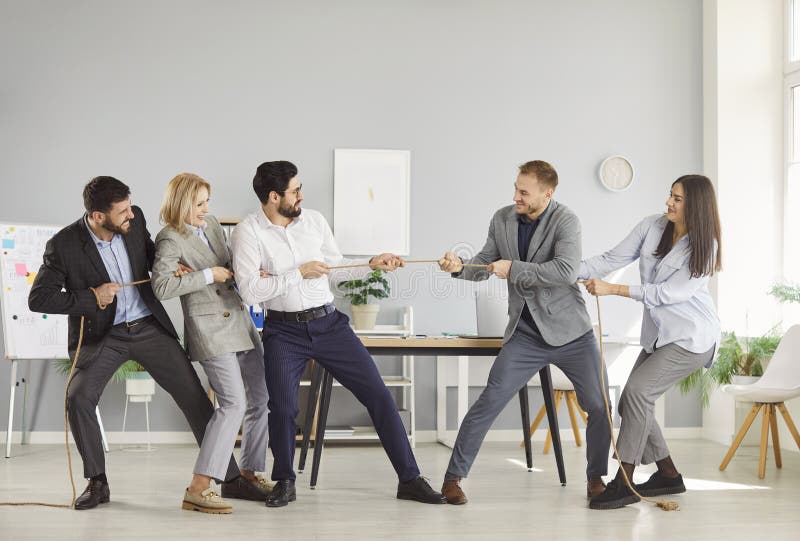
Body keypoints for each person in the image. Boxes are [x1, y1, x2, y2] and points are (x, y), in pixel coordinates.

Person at [231, 160, 446, 507]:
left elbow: (336, 270)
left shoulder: (314, 221)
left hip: (329, 325)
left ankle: (410, 478)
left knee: (379, 396)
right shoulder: (248, 233)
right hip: (283, 331)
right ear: (274, 196)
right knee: (283, 409)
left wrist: (372, 263)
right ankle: (284, 480)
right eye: (295, 190)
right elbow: (250, 291)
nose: (302, 195)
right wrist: (297, 273)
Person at [28, 176, 243, 510]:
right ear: (98, 217)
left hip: (148, 328)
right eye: (122, 211)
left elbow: (152, 254)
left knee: (195, 396)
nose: (131, 214)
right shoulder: (64, 245)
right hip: (105, 337)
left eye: (130, 206)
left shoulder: (136, 218)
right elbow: (38, 298)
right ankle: (97, 483)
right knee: (79, 398)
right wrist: (91, 297)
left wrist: (172, 265)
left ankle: (229, 477)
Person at [437, 160, 611, 504]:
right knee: (489, 401)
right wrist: (459, 267)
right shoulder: (502, 218)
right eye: (515, 188)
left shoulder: (566, 221)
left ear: (547, 193)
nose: (515, 196)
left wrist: (514, 268)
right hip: (525, 334)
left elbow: (564, 271)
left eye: (523, 191)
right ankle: (453, 478)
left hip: (572, 333)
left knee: (600, 404)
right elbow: (485, 263)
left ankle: (596, 478)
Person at [579, 174, 721, 510]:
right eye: (670, 195)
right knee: (631, 402)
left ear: (696, 205)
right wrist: (565, 269)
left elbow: (670, 294)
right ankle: (669, 475)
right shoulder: (651, 226)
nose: (669, 203)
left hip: (692, 337)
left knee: (638, 393)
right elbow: (610, 259)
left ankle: (624, 481)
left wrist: (613, 289)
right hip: (660, 336)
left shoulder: (705, 244)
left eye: (678, 199)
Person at [152, 173, 271, 514]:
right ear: (181, 203)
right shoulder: (169, 239)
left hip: (239, 320)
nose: (206, 209)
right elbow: (161, 287)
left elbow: (230, 264)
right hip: (209, 330)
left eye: (207, 202)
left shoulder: (215, 224)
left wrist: (251, 271)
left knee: (261, 397)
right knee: (233, 403)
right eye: (199, 203)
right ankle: (199, 486)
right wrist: (206, 275)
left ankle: (248, 472)